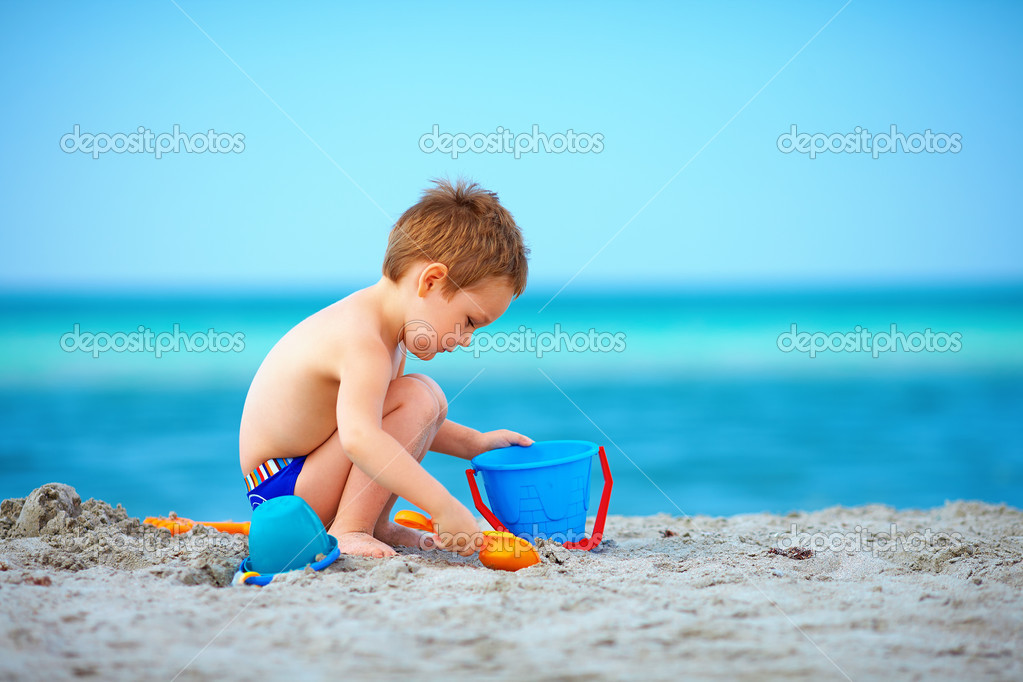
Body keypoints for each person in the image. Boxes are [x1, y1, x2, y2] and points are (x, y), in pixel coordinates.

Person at [239, 179, 533, 558]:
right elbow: (360, 438)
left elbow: (395, 419)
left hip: (300, 480)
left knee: (425, 399)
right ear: (431, 280)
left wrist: (473, 443)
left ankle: (372, 523)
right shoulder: (363, 341)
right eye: (470, 321)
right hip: (284, 495)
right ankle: (350, 528)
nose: (466, 338)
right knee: (419, 395)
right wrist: (442, 506)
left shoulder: (388, 332)